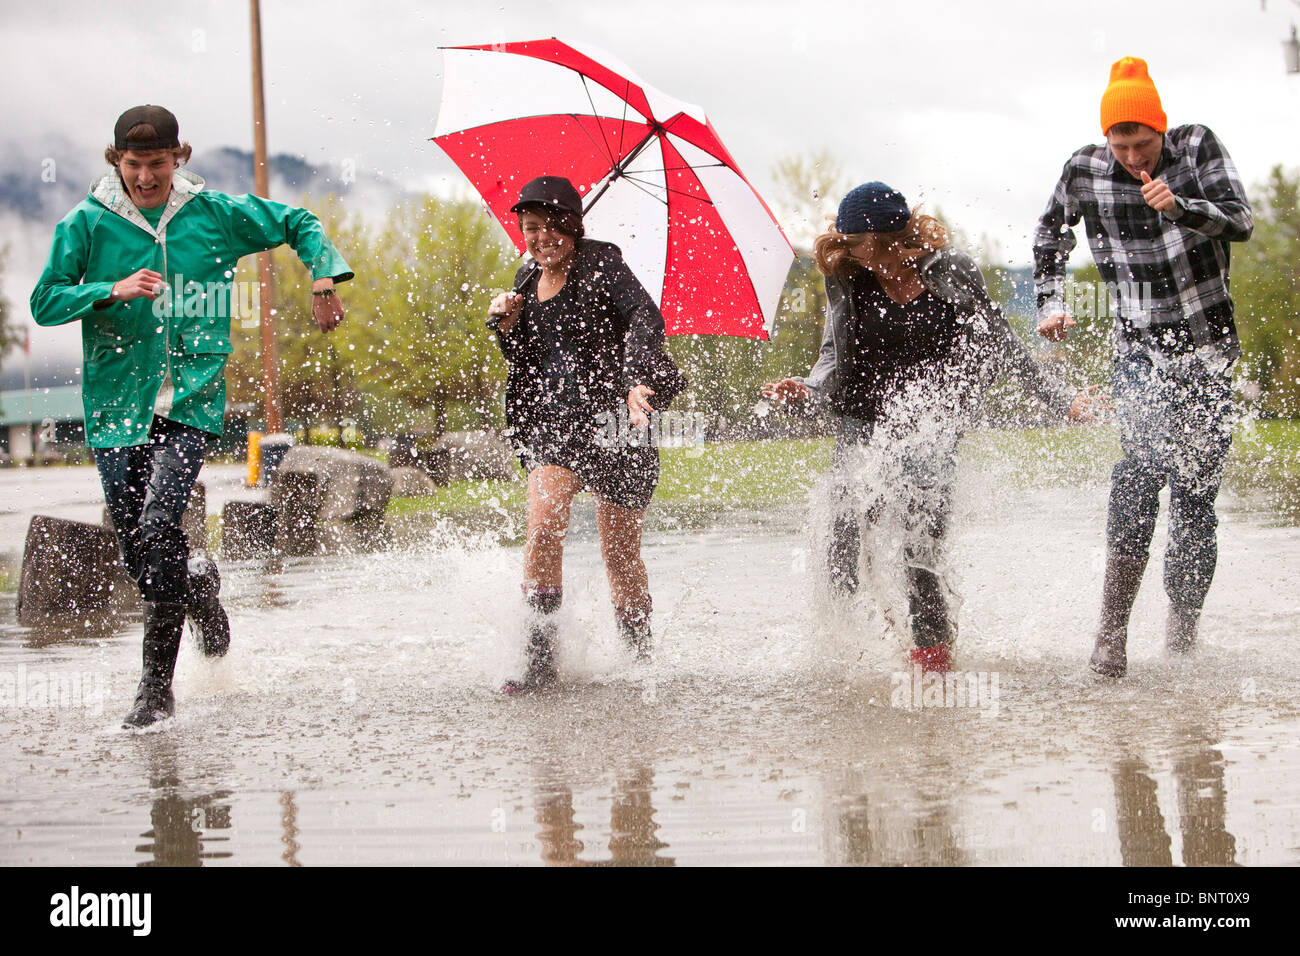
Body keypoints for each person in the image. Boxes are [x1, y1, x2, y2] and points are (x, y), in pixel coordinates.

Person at [31, 105, 353, 727]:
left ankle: (154, 691)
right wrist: (109, 290)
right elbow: (45, 300)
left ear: (178, 159)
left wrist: (321, 278)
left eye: (157, 164)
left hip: (190, 406)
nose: (146, 177)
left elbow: (298, 220)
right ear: (115, 161)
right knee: (142, 554)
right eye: (134, 164)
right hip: (117, 411)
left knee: (157, 529)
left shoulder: (214, 215)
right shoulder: (87, 225)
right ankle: (199, 580)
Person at [765, 182, 1096, 673]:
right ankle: (839, 655)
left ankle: (932, 662)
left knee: (920, 543)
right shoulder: (849, 278)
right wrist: (809, 390)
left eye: (856, 240)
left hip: (931, 422)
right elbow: (832, 354)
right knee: (841, 529)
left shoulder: (954, 271)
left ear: (884, 237)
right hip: (863, 420)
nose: (849, 250)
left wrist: (1061, 399)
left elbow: (1002, 341)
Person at [1033, 57, 1253, 678]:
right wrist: (1050, 300)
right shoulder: (1085, 168)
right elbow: (1050, 233)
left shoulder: (1197, 146)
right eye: (1121, 143)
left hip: (1209, 349)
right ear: (1106, 138)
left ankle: (1182, 634)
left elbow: (1241, 219)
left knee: (1194, 497)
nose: (1134, 156)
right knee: (1138, 470)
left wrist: (1181, 206)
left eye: (1143, 142)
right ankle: (1111, 635)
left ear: (1162, 128)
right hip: (1139, 349)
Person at [487, 176, 685, 693]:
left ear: (573, 227)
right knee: (545, 520)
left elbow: (645, 315)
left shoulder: (603, 263)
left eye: (552, 227)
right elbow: (531, 361)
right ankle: (540, 662)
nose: (541, 238)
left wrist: (640, 376)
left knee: (618, 551)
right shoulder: (525, 279)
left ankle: (639, 657)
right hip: (556, 423)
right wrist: (508, 328)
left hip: (618, 420)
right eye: (531, 229)